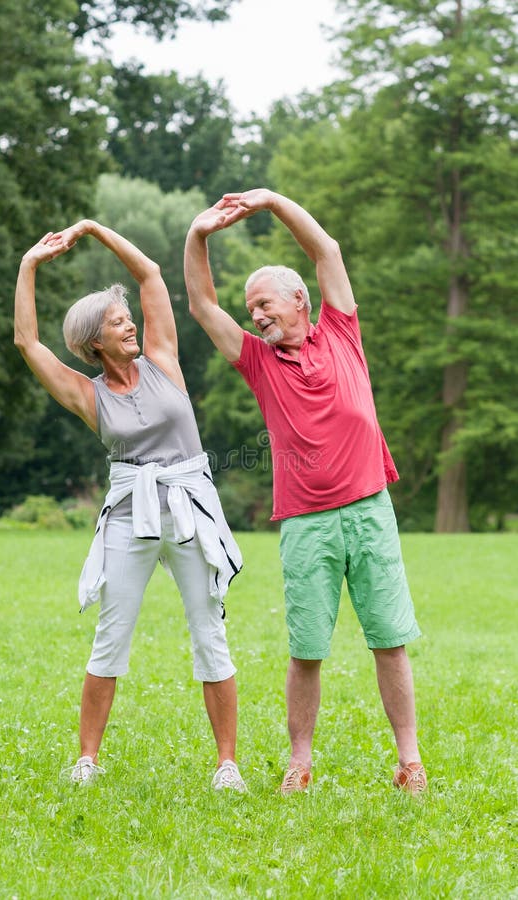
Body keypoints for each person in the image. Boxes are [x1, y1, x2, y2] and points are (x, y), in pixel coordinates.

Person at [184, 189, 427, 796]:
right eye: (250, 308)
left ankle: (410, 762)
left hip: (369, 508)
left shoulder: (342, 332)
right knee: (307, 649)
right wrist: (198, 235)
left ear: (299, 300)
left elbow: (327, 250)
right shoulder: (257, 362)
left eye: (263, 303)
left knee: (390, 640)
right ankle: (300, 763)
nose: (256, 315)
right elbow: (201, 305)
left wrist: (271, 202)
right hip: (306, 522)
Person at [14, 219, 246, 791]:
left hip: (189, 507)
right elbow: (28, 343)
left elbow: (151, 276)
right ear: (95, 340)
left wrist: (95, 230)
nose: (130, 325)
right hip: (129, 514)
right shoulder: (86, 394)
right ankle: (87, 761)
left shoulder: (163, 359)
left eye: (128, 318)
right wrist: (29, 265)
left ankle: (227, 766)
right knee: (110, 637)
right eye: (118, 322)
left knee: (209, 634)